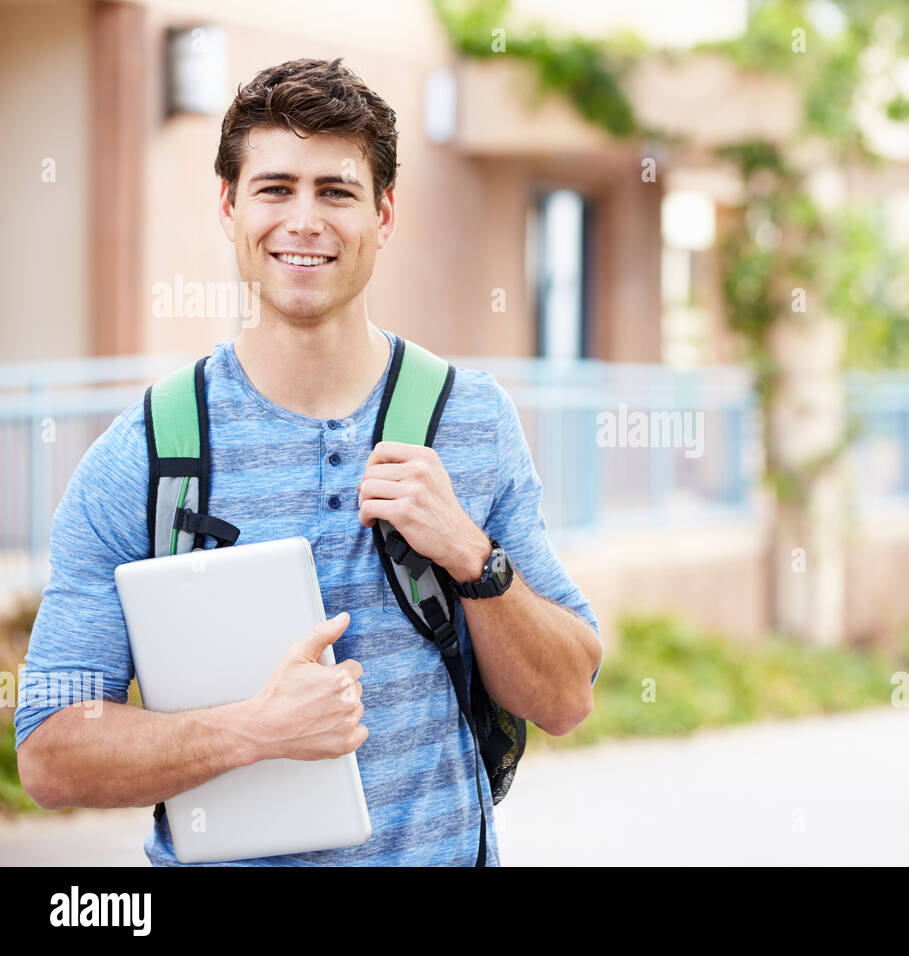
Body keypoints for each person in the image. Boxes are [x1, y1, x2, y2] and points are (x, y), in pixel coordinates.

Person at [14, 58, 603, 866]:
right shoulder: (148, 453)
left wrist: (472, 556)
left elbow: (566, 697)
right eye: (274, 188)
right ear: (229, 206)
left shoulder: (469, 419)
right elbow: (50, 750)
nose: (304, 220)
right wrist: (253, 732)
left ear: (384, 214)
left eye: (336, 191)